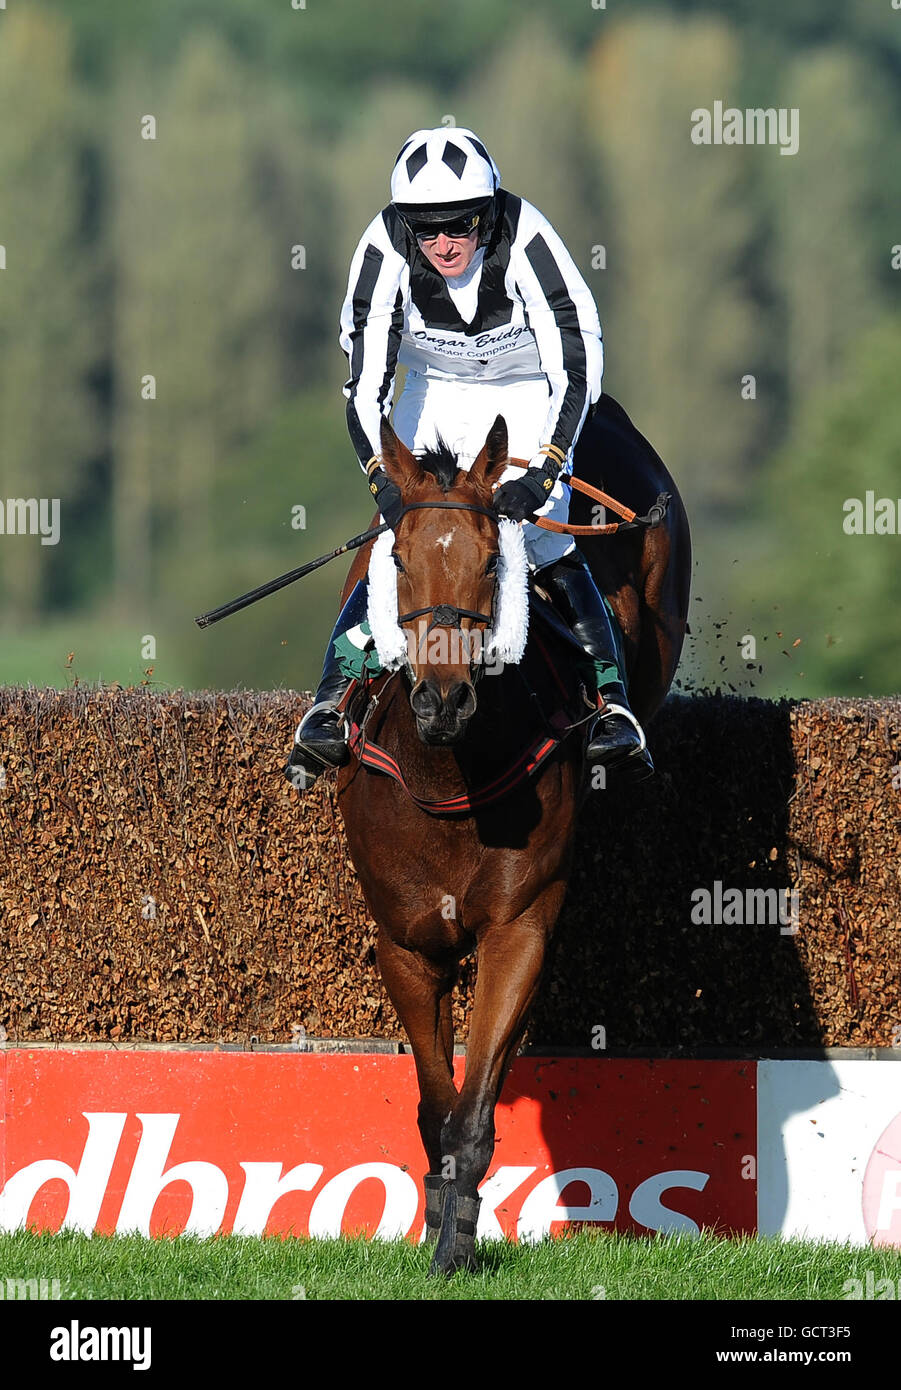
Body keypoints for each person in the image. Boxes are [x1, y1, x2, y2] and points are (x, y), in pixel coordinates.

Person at [286, 126, 652, 788]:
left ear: (488, 215)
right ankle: (330, 707)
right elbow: (365, 386)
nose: (445, 245)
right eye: (427, 231)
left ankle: (611, 707)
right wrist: (385, 488)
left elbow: (576, 366)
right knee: (401, 543)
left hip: (524, 390)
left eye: (460, 226)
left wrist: (543, 472)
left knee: (541, 543)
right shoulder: (381, 249)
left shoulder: (529, 238)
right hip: (432, 390)